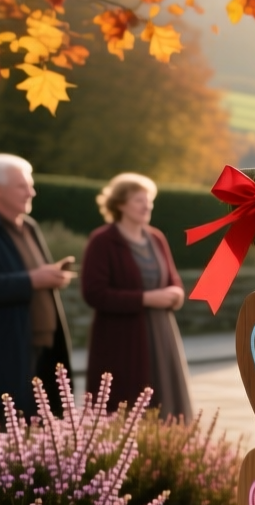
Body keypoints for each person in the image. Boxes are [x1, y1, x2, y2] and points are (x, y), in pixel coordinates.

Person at [0, 154, 74, 415]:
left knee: (41, 432)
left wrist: (51, 277)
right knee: (4, 434)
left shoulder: (29, 226)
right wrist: (33, 279)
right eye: (22, 186)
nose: (31, 191)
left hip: (42, 346)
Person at [81, 173, 193, 419]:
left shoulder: (156, 237)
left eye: (149, 200)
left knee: (166, 401)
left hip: (162, 332)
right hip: (121, 339)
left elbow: (172, 279)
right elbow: (94, 294)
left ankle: (168, 448)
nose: (147, 205)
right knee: (127, 403)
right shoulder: (102, 241)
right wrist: (145, 299)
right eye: (139, 200)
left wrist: (176, 293)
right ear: (119, 204)